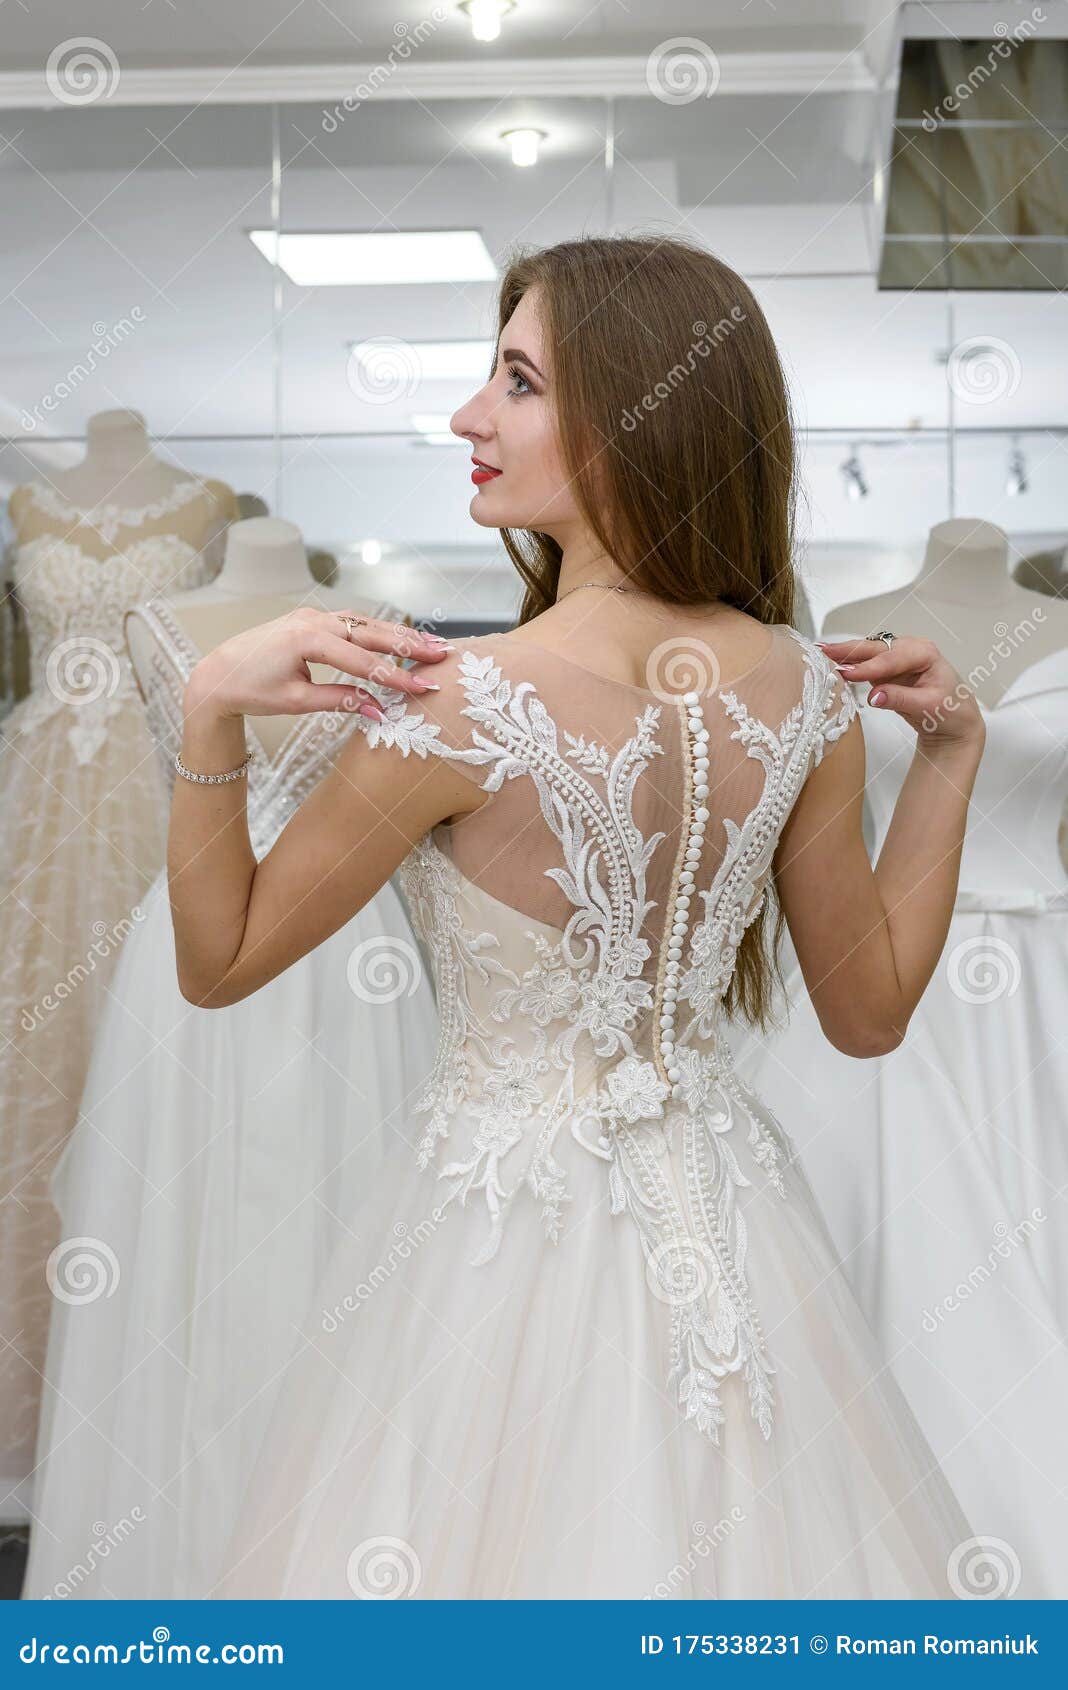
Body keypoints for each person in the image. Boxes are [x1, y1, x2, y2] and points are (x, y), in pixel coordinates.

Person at [166, 236, 988, 1599]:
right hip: (733, 1233)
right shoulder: (806, 692)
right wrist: (949, 762)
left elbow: (220, 957)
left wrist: (209, 711)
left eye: (516, 381)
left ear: (635, 412)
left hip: (491, 1253)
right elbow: (871, 1010)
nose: (467, 417)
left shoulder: (459, 705)